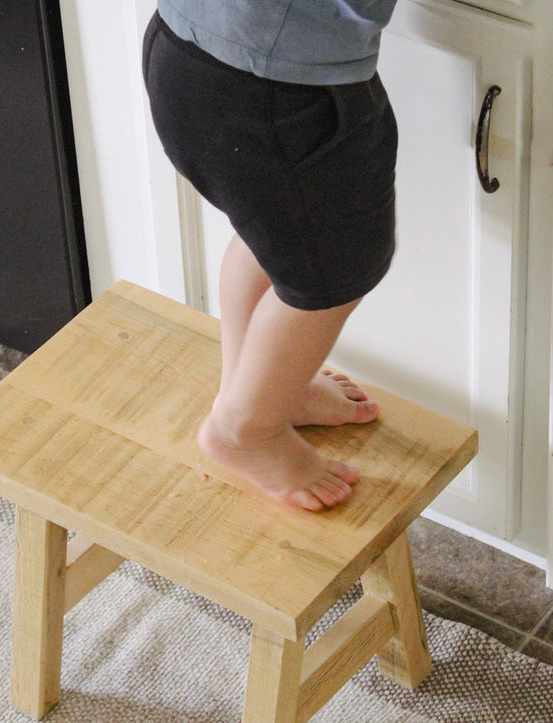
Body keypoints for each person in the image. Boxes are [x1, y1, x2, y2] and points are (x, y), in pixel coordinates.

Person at [142, 0, 400, 511]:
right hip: (274, 92)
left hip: (186, 47)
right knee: (333, 272)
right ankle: (246, 429)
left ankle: (265, 394)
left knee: (280, 241)